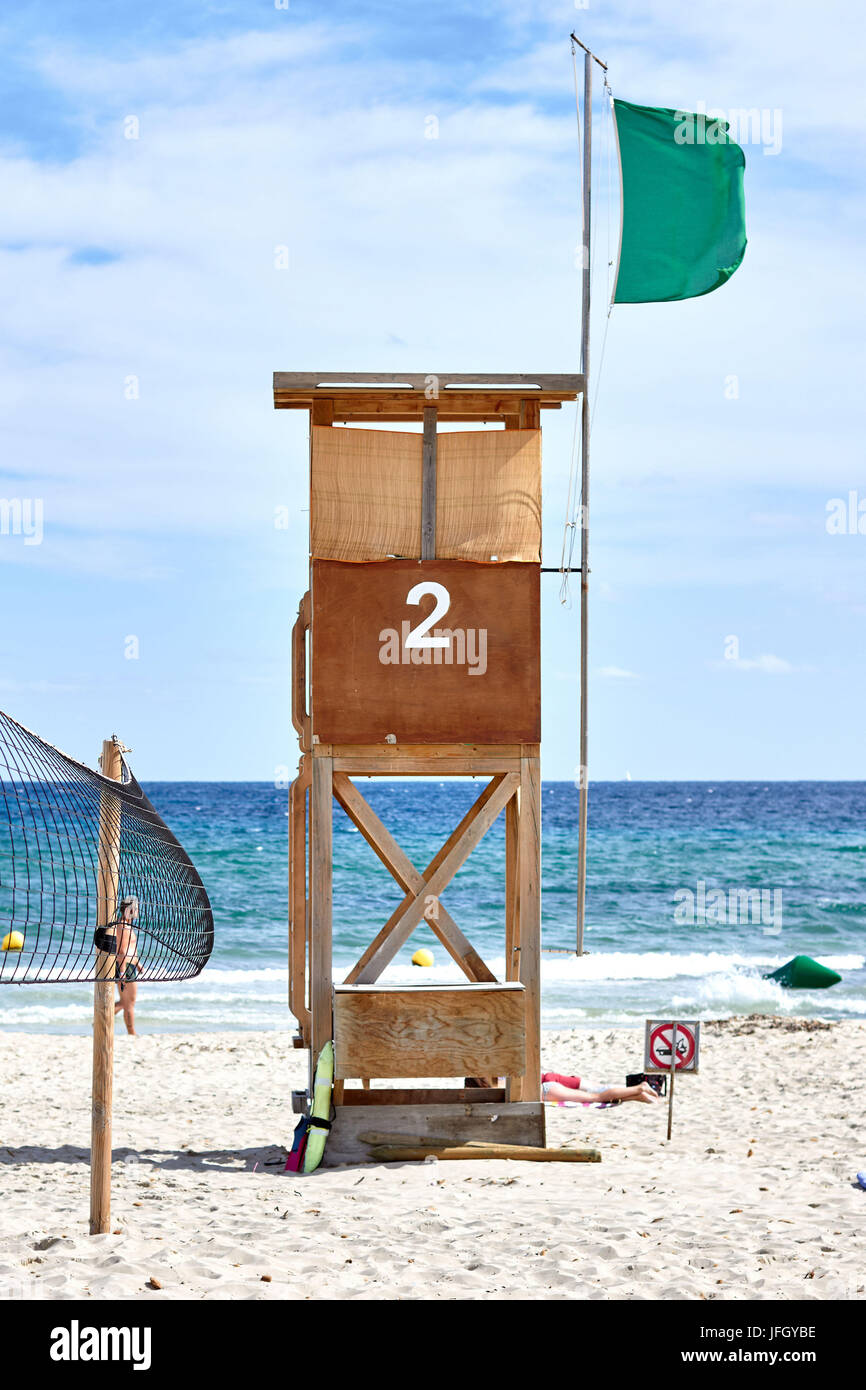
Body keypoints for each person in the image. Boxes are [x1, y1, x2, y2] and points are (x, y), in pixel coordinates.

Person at [93, 895, 141, 1036]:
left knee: (125, 1002)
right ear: (129, 909)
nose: (137, 910)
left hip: (128, 966)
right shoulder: (124, 926)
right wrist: (122, 973)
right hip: (125, 967)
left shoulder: (125, 924)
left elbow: (128, 949)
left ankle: (99, 1020)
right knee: (129, 1004)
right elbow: (121, 951)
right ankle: (131, 1033)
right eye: (136, 908)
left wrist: (138, 964)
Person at [541, 1071, 658, 1105]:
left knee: (596, 1097)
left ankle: (638, 1089)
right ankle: (636, 1095)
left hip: (546, 1089)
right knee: (600, 1089)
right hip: (549, 1078)